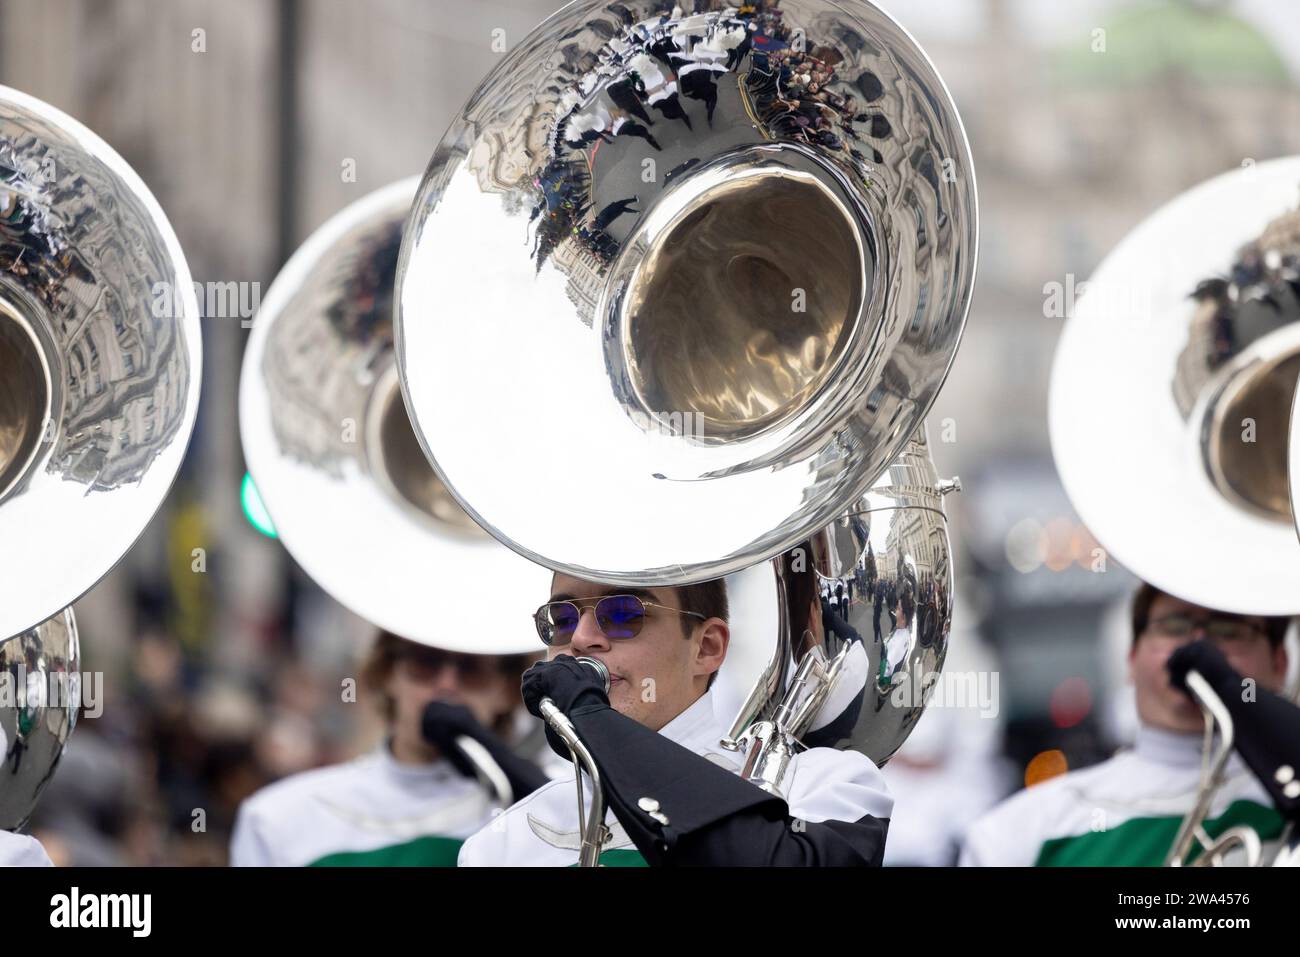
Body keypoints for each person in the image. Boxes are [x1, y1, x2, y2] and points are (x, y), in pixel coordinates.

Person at [458, 572, 893, 866]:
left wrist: (593, 717)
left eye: (623, 614)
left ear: (706, 648)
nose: (582, 638)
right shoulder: (499, 846)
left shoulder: (826, 785)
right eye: (562, 618)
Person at [960, 583, 1291, 866]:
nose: (1198, 648)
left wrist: (1232, 690)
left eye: (1229, 630)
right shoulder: (1019, 832)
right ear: (1131, 657)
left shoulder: (1284, 801)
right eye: (1174, 626)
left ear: (1281, 663)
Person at [231, 631, 547, 866]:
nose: (447, 685)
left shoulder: (551, 809)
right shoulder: (277, 817)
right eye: (425, 661)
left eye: (471, 668)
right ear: (387, 675)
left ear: (506, 689)